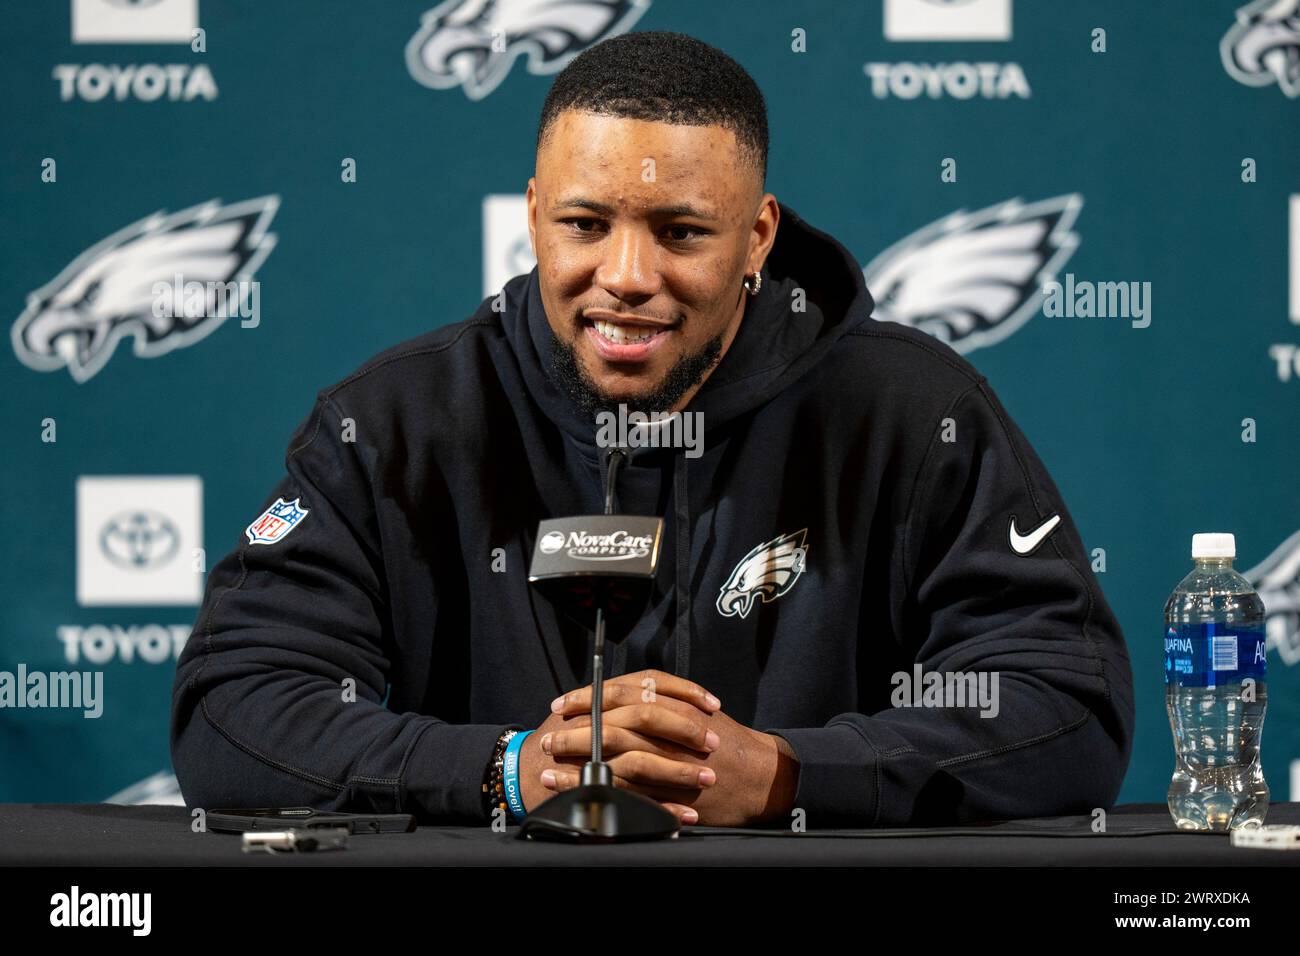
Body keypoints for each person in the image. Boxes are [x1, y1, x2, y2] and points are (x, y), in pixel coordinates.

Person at [170, 31, 1134, 829]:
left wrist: (794, 775)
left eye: (679, 232)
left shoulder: (916, 412)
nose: (626, 275)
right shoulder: (389, 423)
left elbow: (1066, 704)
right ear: (537, 217)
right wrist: (506, 771)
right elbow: (234, 708)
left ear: (758, 236)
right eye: (586, 224)